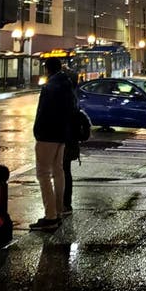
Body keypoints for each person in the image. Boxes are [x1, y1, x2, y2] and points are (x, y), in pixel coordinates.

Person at [30, 56, 76, 232]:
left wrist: (38, 132)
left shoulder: (50, 87)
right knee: (58, 171)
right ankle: (60, 209)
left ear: (47, 69)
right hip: (62, 135)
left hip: (47, 135)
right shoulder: (67, 84)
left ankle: (50, 216)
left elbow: (43, 113)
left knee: (43, 173)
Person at [62, 70, 80, 216]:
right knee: (65, 171)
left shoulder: (66, 96)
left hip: (64, 140)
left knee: (62, 171)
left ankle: (64, 203)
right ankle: (65, 203)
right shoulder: (74, 95)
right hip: (70, 139)